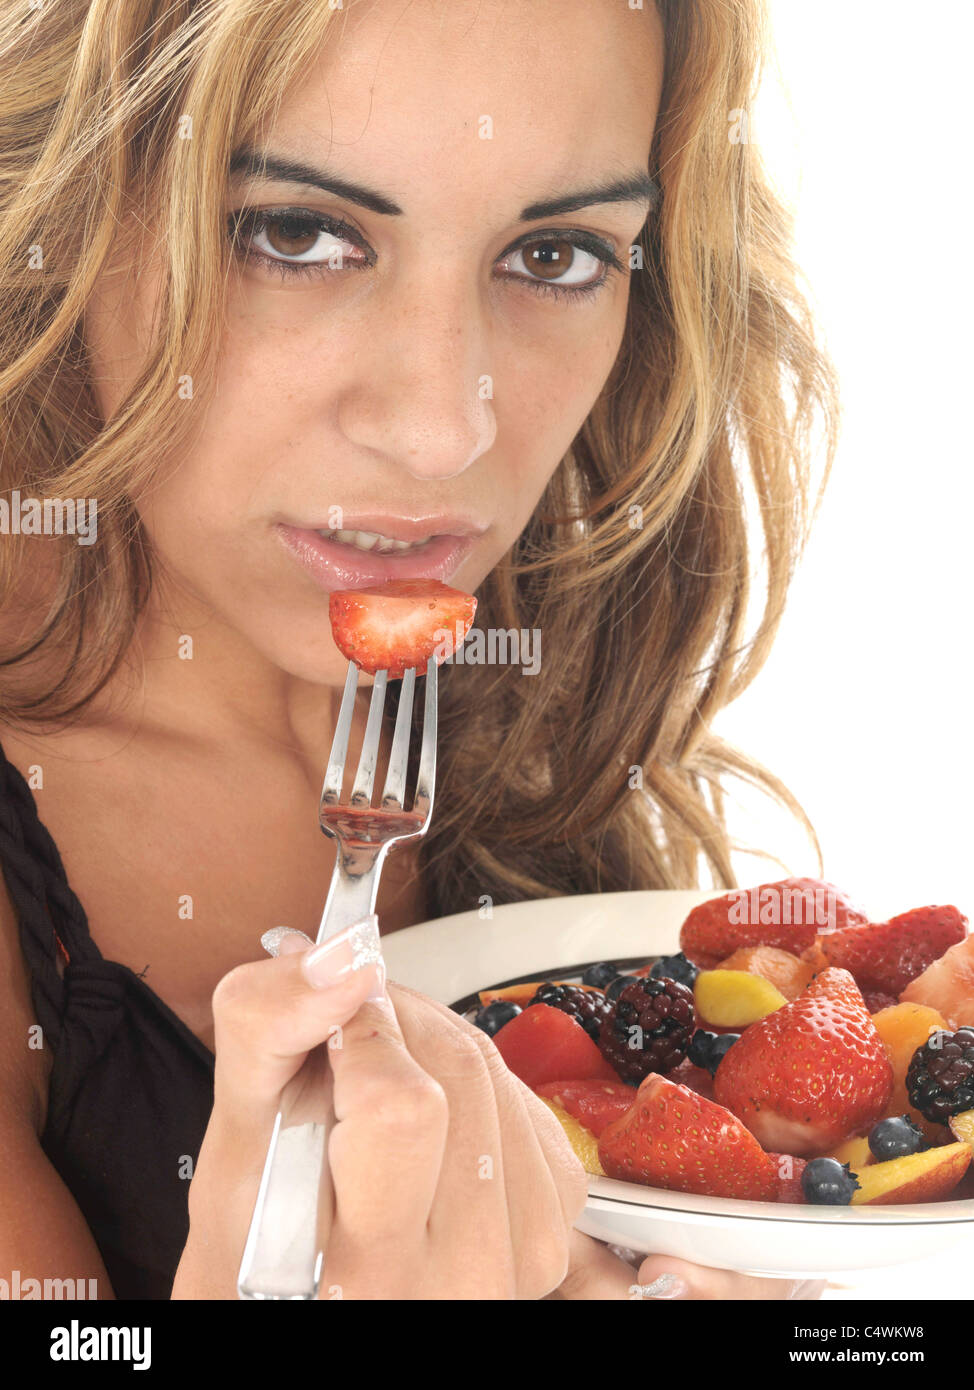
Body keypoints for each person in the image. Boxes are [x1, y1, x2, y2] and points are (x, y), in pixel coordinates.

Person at [0, 0, 836, 1299]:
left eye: (554, 254)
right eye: (296, 232)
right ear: (65, 211)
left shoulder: (544, 694)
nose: (446, 427)